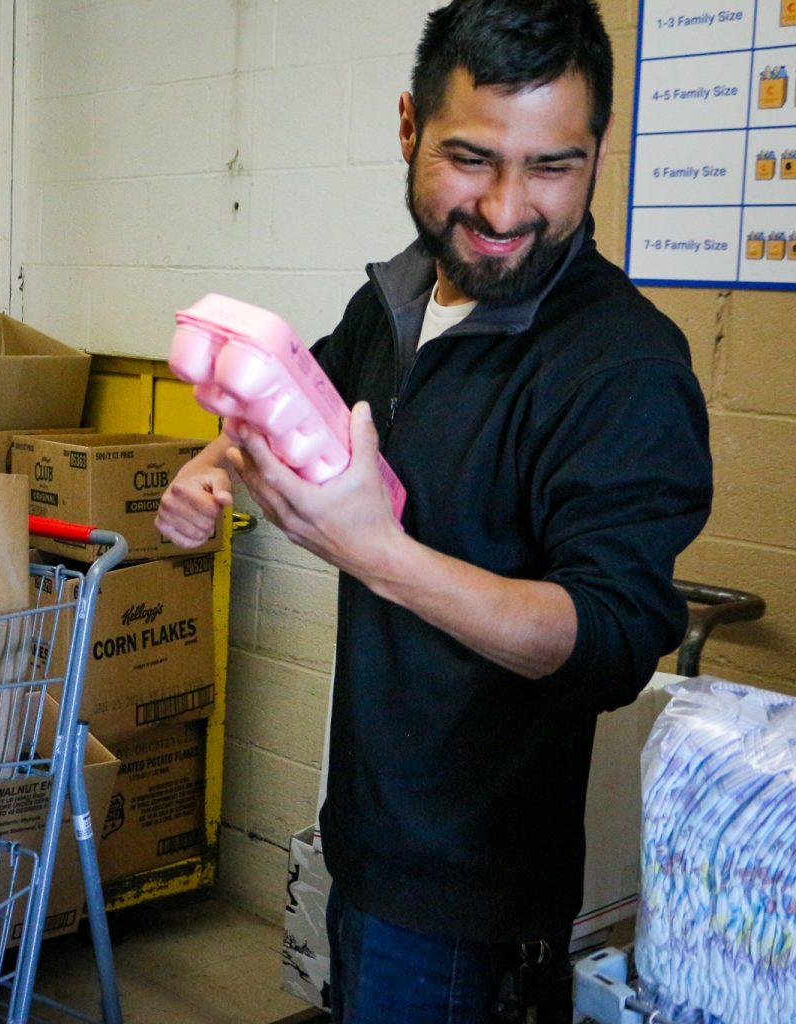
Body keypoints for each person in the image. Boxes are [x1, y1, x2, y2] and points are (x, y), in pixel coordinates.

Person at [157, 1, 713, 1021]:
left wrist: (379, 553)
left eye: (554, 165)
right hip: (366, 832)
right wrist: (209, 465)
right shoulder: (398, 299)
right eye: (471, 157)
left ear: (597, 152)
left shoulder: (623, 364)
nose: (506, 209)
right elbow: (297, 397)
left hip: (473, 893)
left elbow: (611, 636)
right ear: (409, 125)